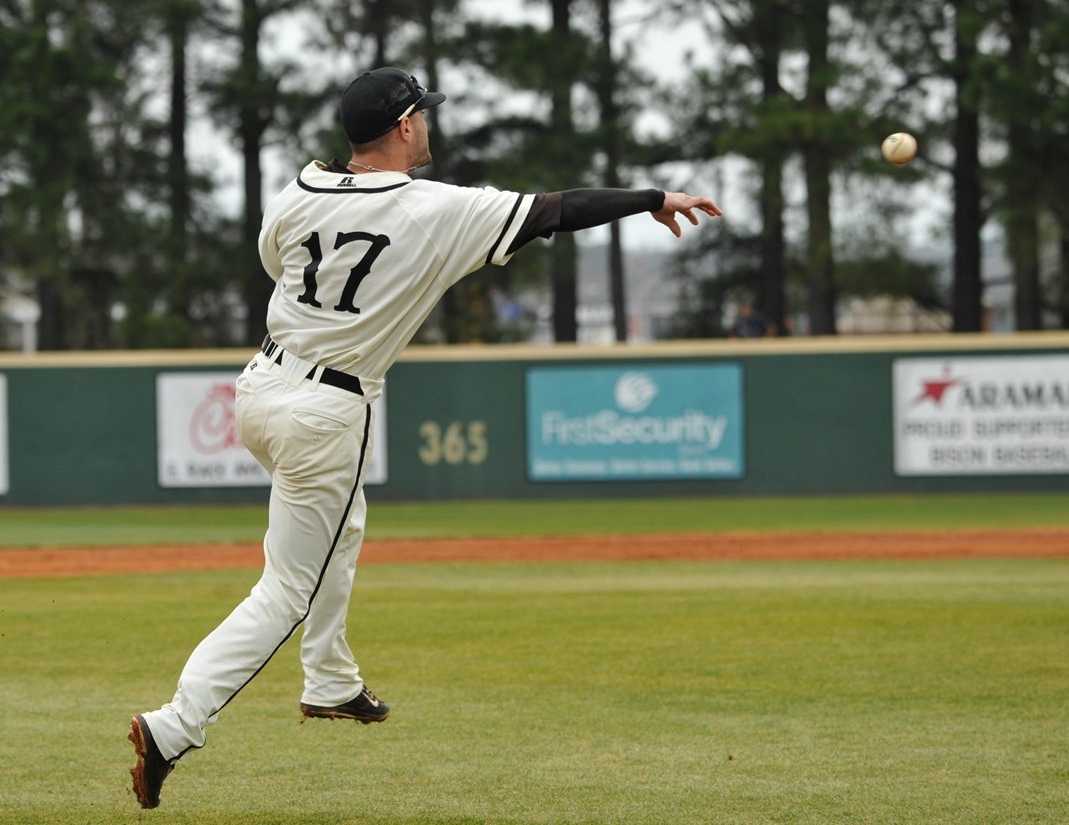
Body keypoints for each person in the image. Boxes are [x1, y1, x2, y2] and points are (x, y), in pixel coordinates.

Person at [127, 66, 722, 809]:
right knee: (285, 587)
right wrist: (651, 198)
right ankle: (174, 724)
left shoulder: (298, 189)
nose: (430, 126)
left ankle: (332, 680)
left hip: (261, 385)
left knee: (342, 527)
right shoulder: (432, 208)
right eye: (424, 116)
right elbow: (555, 210)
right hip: (327, 409)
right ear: (405, 125)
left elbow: (278, 266)